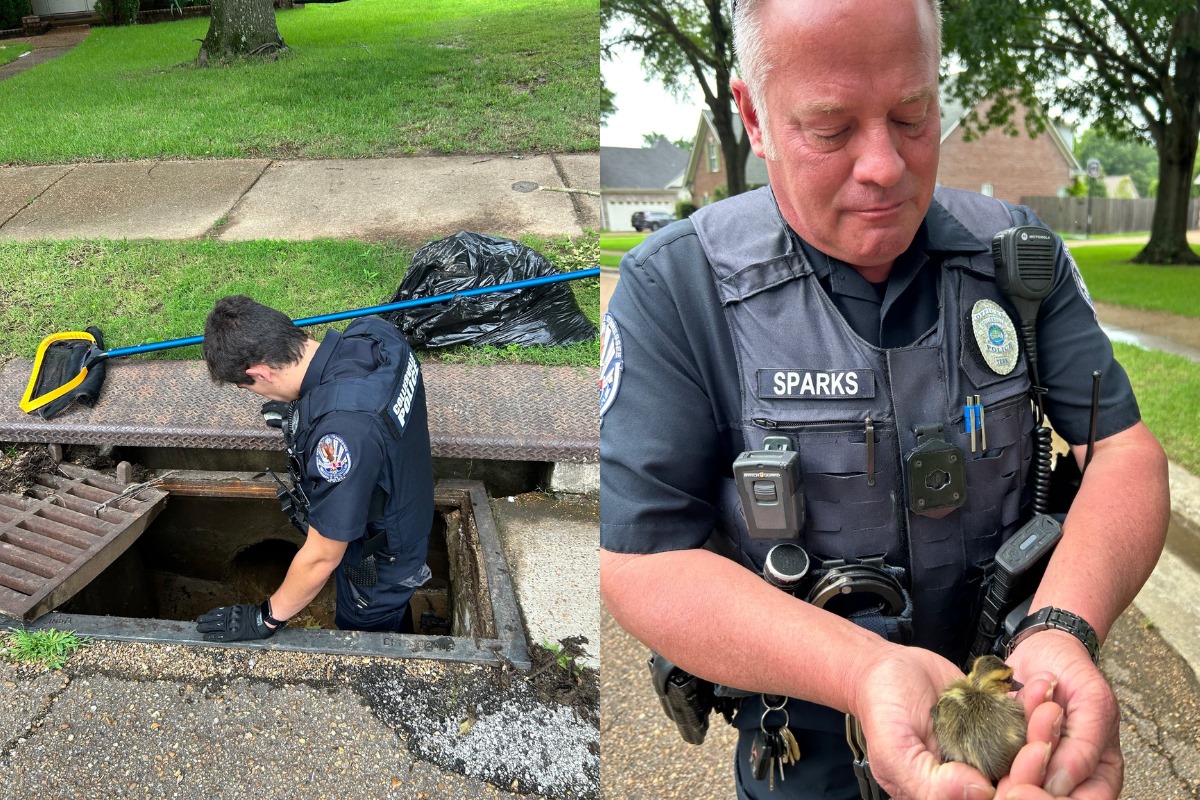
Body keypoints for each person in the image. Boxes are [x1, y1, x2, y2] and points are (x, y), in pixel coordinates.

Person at [598, 1, 1170, 799]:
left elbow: (1124, 451)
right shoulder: (676, 288)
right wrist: (864, 671)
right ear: (754, 117)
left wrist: (1063, 627)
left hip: (1013, 716)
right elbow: (642, 560)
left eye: (912, 115)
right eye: (830, 129)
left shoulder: (1018, 259)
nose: (885, 166)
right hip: (806, 750)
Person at [196, 296, 434, 640]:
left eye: (249, 388)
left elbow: (323, 555)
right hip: (409, 503)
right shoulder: (375, 334)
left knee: (367, 624)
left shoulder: (342, 436)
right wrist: (306, 409)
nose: (258, 394)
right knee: (391, 609)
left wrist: (266, 617)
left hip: (381, 561)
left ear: (260, 373)